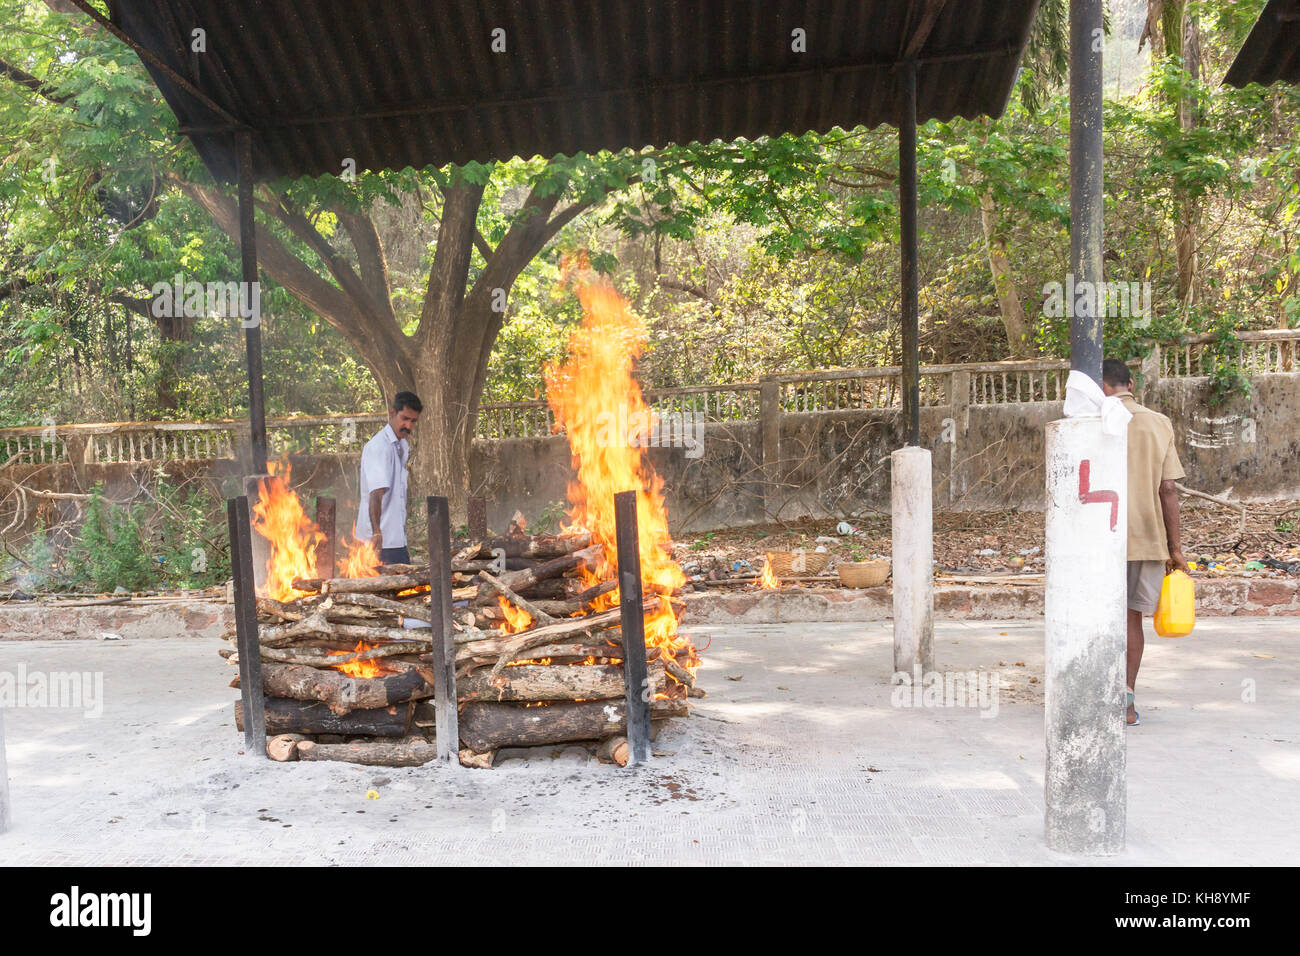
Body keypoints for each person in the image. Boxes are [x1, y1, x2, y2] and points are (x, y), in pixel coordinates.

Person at [1101, 359, 1189, 726]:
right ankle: (1127, 702)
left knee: (1097, 620)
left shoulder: (1093, 422)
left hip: (1098, 538)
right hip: (1145, 538)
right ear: (1131, 383)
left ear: (1101, 387)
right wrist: (1176, 549)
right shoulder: (1158, 423)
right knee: (1131, 619)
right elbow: (1168, 489)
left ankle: (1090, 697)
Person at [356, 392, 422, 565]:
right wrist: (377, 532)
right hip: (379, 543)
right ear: (392, 413)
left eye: (413, 421)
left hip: (396, 539)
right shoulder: (379, 447)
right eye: (404, 418)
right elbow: (376, 494)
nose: (408, 425)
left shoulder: (402, 446)